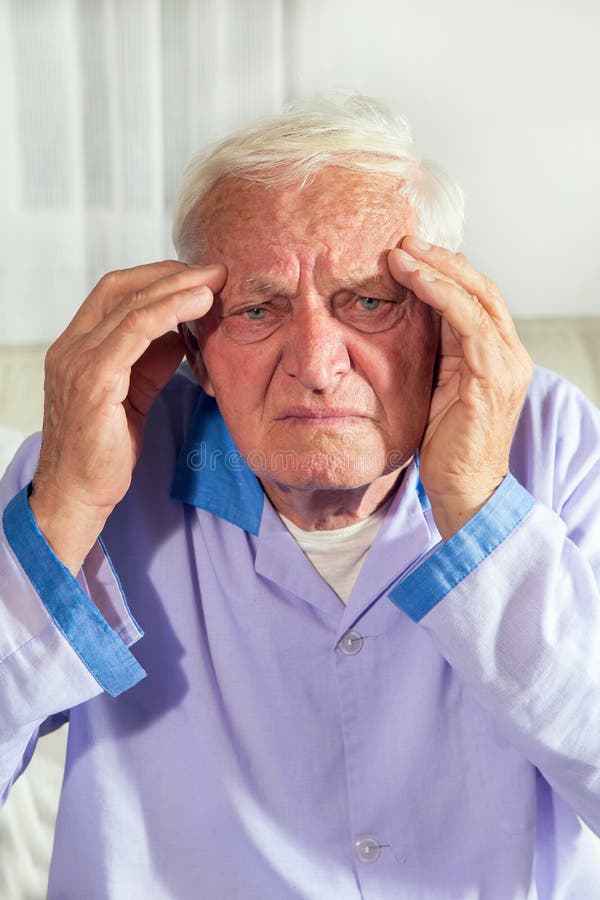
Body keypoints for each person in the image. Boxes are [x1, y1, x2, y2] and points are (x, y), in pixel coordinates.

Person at [1, 93, 599, 899]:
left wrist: (477, 504)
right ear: (197, 350)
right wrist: (67, 506)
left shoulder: (554, 438)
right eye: (258, 309)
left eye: (369, 301)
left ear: (442, 319)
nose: (317, 364)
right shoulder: (89, 457)